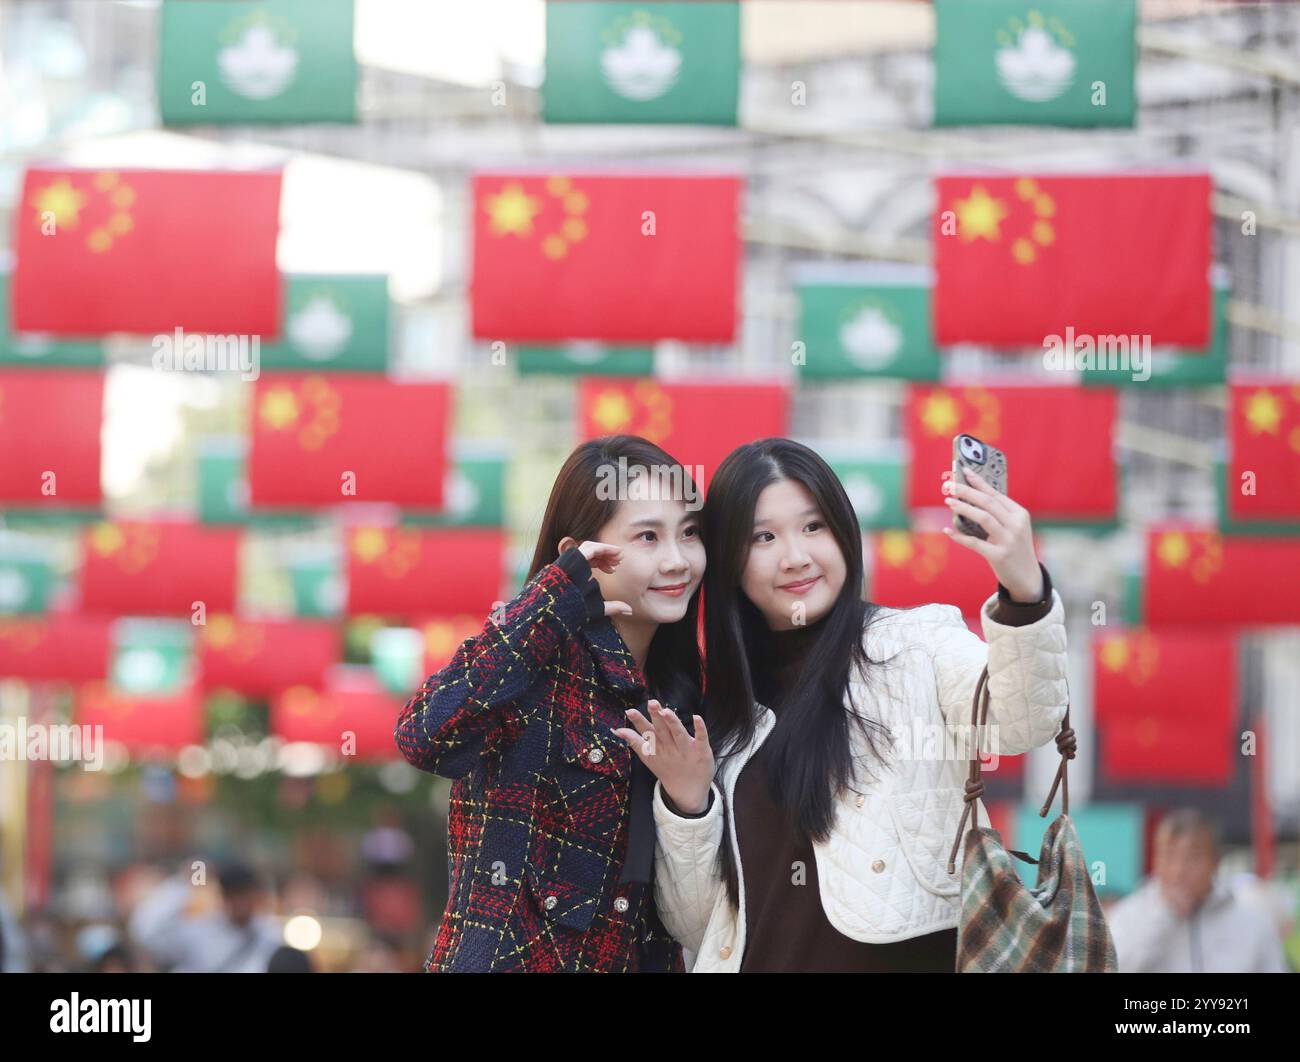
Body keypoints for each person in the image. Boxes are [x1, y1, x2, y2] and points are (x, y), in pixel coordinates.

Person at [614, 437, 1069, 972]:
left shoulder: (915, 644)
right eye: (764, 537)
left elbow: (1021, 721)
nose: (797, 557)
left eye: (814, 526)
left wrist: (1023, 587)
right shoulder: (721, 715)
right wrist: (688, 803)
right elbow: (698, 925)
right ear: (730, 560)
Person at [395, 435, 706, 972]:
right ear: (579, 555)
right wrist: (554, 593)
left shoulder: (688, 691)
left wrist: (691, 802)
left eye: (690, 533)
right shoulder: (529, 663)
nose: (678, 560)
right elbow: (424, 735)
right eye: (648, 537)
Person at [1105, 809, 1289, 972]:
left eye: (1192, 857)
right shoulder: (1129, 916)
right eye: (1169, 855)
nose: (1179, 870)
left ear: (1215, 862)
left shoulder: (1252, 923)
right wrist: (1164, 916)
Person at [128, 860, 283, 973]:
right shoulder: (200, 930)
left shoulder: (271, 934)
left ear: (256, 895)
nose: (239, 902)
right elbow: (145, 931)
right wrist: (185, 882)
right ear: (222, 896)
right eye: (232, 895)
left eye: (244, 894)